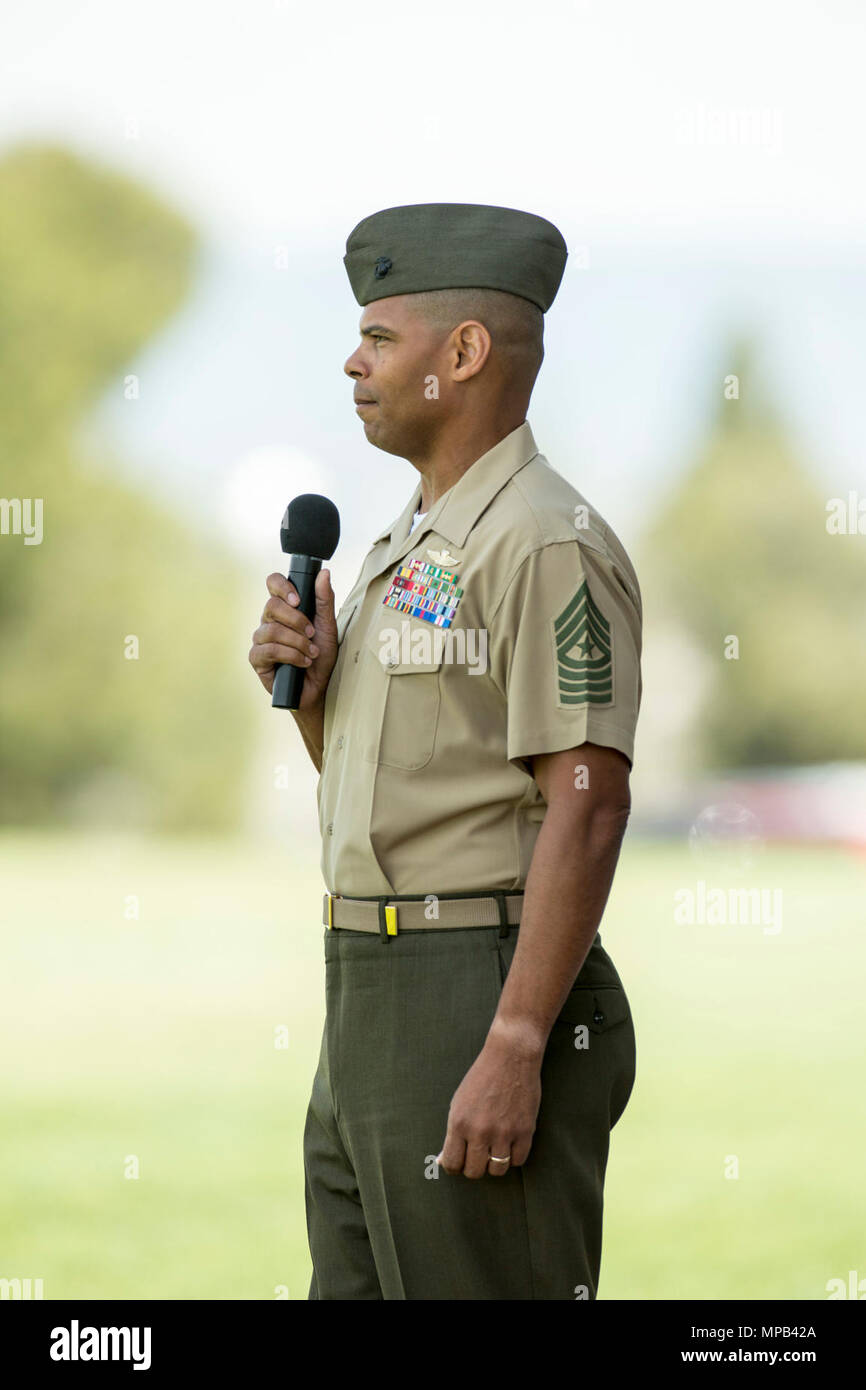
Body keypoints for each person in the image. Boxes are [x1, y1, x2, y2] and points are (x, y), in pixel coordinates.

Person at [249, 202, 643, 1300]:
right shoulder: (414, 546)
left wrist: (516, 1039)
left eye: (378, 339)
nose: (351, 361)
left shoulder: (542, 542)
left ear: (461, 354)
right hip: (368, 991)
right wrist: (314, 698)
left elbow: (587, 804)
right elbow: (416, 786)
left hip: (474, 991)